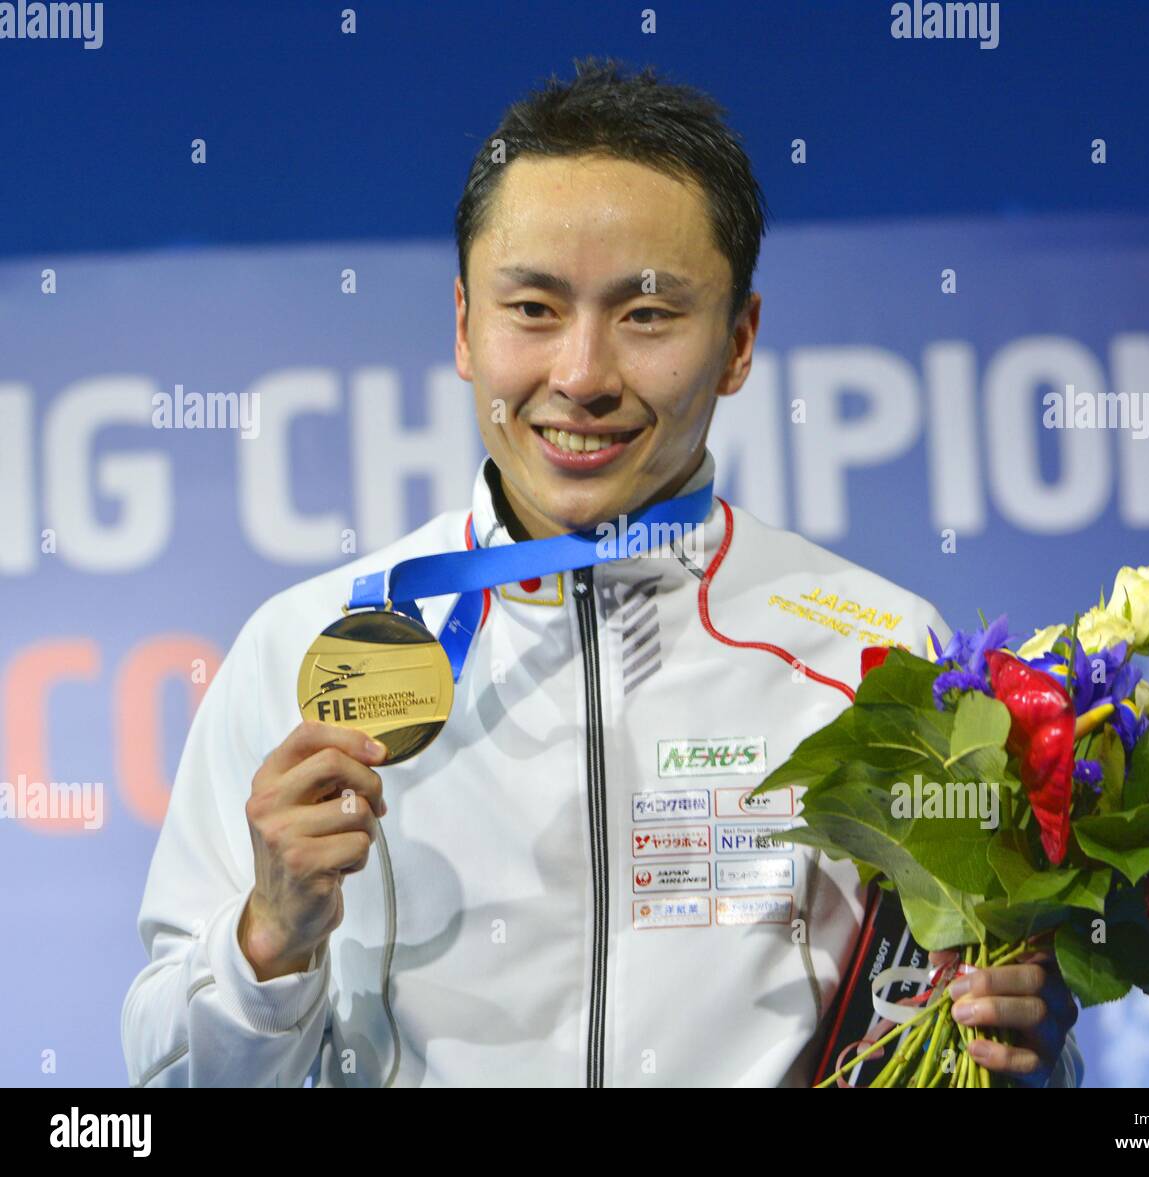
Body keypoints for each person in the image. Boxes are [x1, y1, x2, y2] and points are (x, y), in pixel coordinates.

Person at [122, 56, 1081, 1088]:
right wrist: (268, 942)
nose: (580, 377)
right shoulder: (307, 645)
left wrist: (1023, 1058)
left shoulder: (881, 655)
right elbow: (161, 1083)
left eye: (648, 314)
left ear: (738, 343)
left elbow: (964, 1051)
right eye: (532, 309)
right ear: (462, 326)